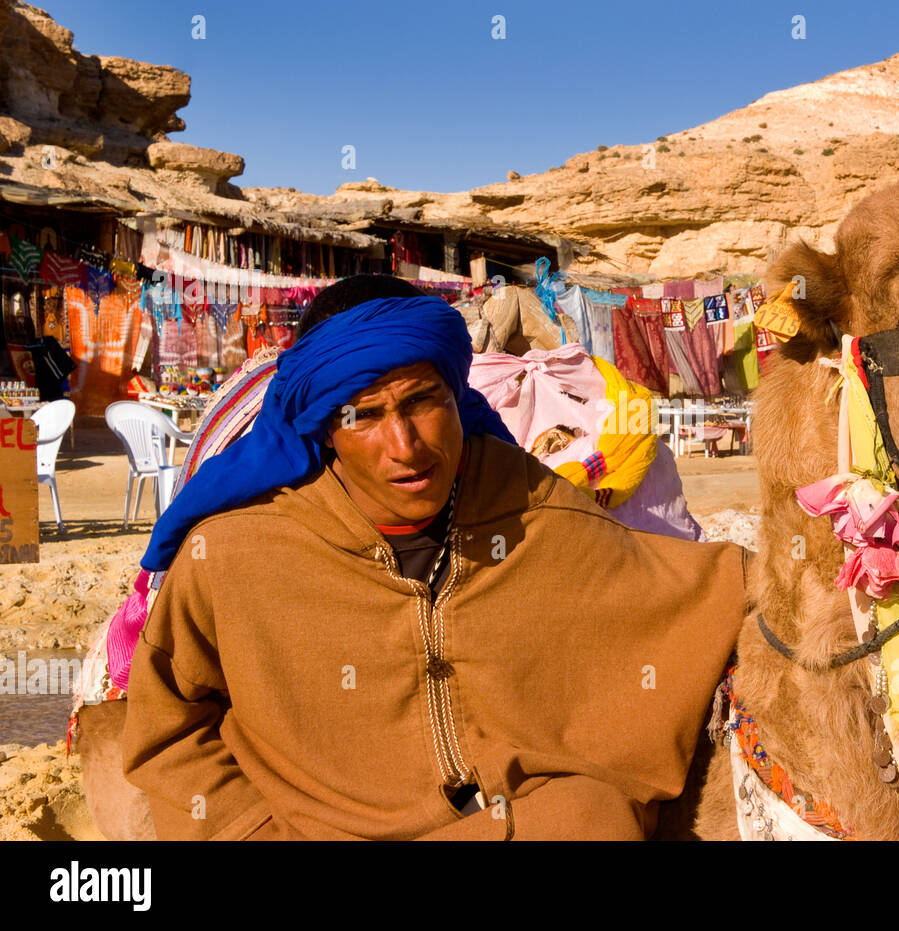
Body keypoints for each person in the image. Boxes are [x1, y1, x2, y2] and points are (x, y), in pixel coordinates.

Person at [120, 281, 748, 840]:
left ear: (456, 396)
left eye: (424, 401)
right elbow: (169, 727)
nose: (407, 446)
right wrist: (246, 828)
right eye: (363, 414)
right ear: (324, 429)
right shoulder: (238, 552)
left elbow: (671, 581)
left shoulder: (522, 499)